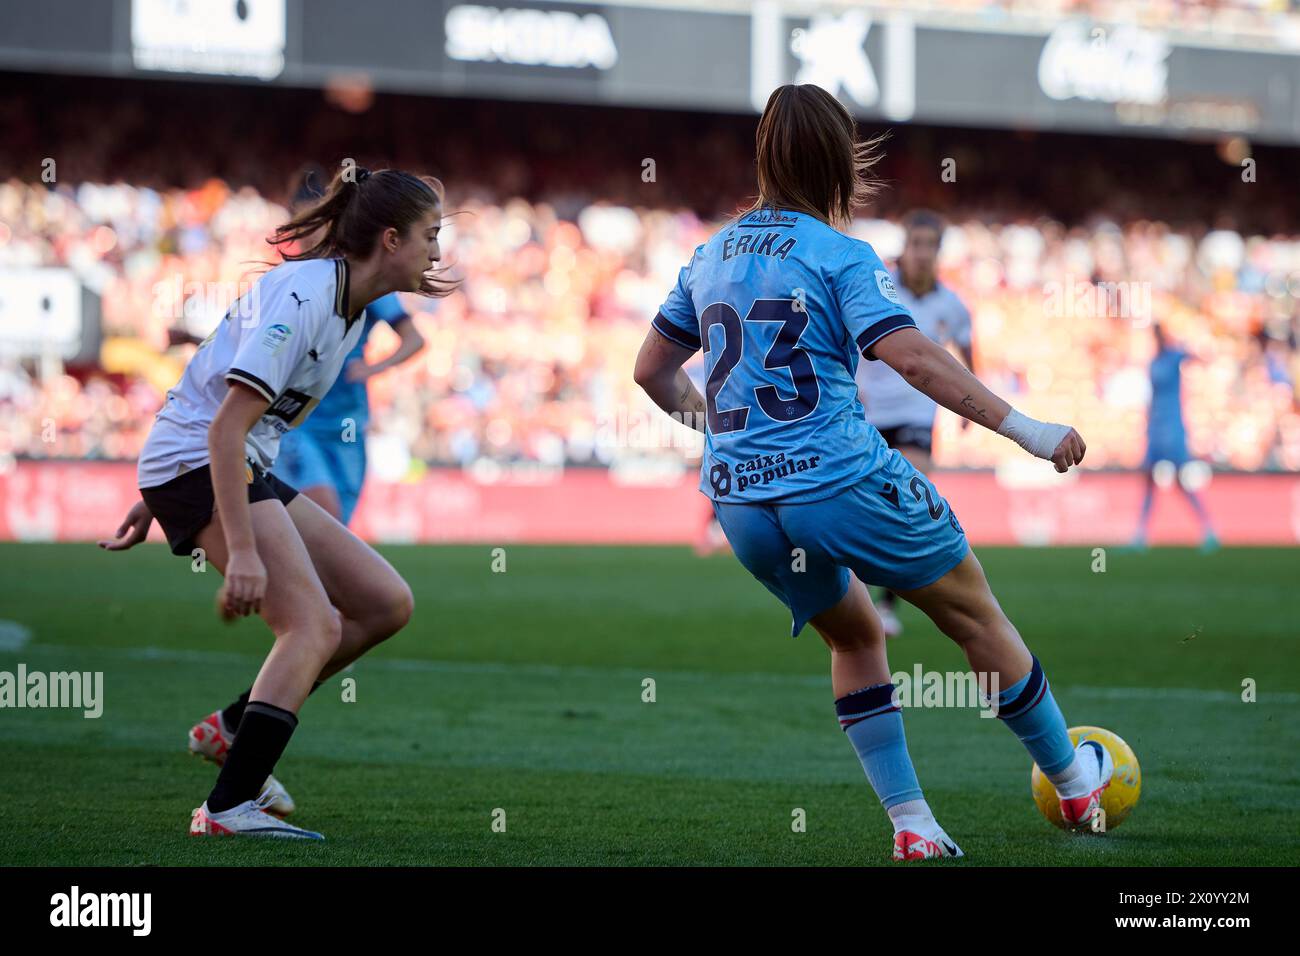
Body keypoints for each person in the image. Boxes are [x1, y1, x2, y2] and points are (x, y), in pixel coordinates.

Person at [633, 84, 1101, 861]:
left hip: (743, 504)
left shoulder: (709, 256)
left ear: (765, 156)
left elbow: (652, 371)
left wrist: (721, 436)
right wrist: (1028, 428)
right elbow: (910, 357)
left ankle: (913, 823)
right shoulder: (841, 254)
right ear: (840, 161)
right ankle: (1073, 779)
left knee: (852, 636)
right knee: (973, 613)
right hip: (839, 479)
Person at [99, 167, 450, 839]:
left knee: (384, 602)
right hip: (204, 463)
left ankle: (236, 726)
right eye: (430, 235)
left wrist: (155, 498)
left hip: (214, 464)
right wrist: (242, 554)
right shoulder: (308, 296)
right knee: (311, 625)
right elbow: (224, 425)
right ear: (391, 237)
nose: (437, 251)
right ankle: (228, 808)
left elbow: (219, 397)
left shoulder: (347, 305)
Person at [275, 171, 428, 525]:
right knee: (321, 517)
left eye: (315, 221)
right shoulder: (294, 280)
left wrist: (374, 369)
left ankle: (296, 579)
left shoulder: (360, 280)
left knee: (336, 527)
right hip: (298, 423)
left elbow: (415, 339)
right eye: (301, 222)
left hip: (347, 420)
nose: (307, 231)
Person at [855, 210, 972, 637]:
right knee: (865, 508)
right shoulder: (878, 289)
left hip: (918, 413)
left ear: (940, 251)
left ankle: (885, 605)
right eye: (916, 244)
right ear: (905, 246)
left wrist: (966, 410)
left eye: (931, 245)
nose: (922, 254)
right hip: (867, 413)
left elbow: (967, 353)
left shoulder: (951, 305)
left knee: (907, 493)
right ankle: (855, 595)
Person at [1132, 323, 1217, 550]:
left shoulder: (1173, 356)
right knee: (1149, 480)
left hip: (1173, 426)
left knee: (1181, 480)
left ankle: (1207, 529)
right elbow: (1151, 397)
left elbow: (1198, 356)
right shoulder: (1154, 363)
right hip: (1157, 427)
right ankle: (1141, 534)